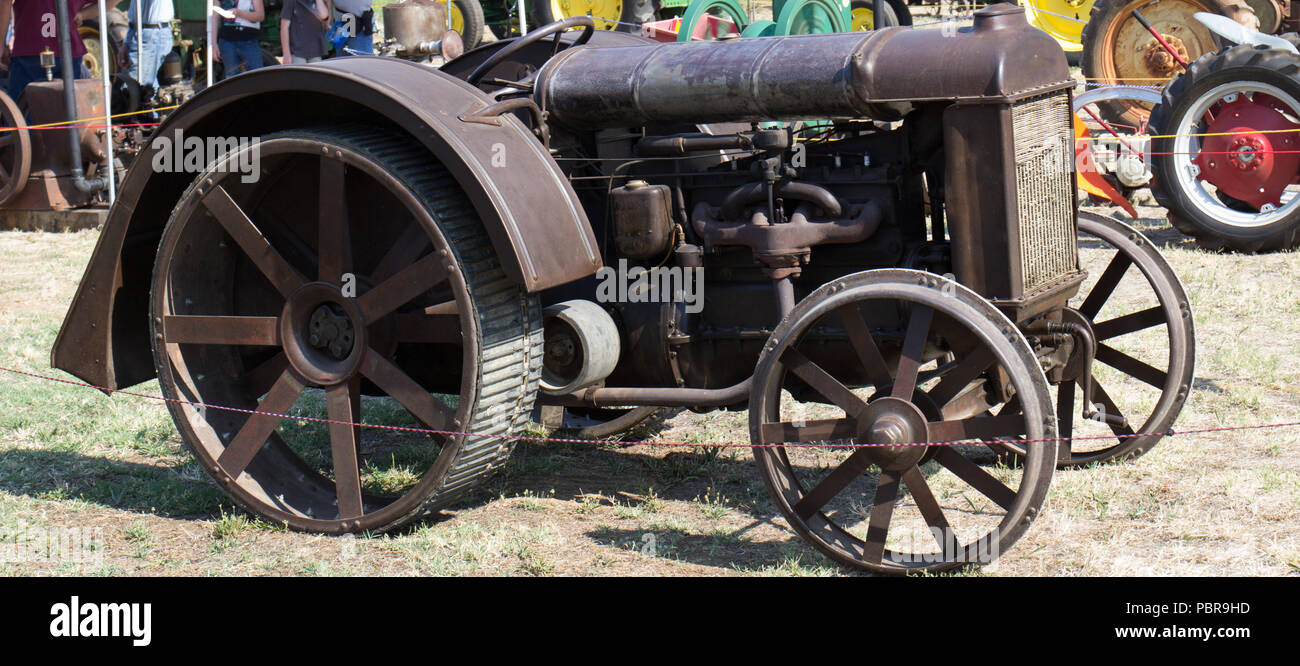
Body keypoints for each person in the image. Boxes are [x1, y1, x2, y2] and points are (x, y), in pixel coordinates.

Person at [0, 0, 96, 101]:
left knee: (24, 107)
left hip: (29, 50)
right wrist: (82, 15)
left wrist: (1, 45)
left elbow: (4, 3)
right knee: (70, 105)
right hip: (69, 53)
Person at [117, 0, 174, 91]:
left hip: (152, 32)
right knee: (147, 87)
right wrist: (126, 42)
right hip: (139, 30)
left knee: (132, 91)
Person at [212, 0, 265, 79]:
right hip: (227, 41)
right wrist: (213, 44)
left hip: (249, 40)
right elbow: (214, 17)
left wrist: (239, 13)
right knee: (231, 79)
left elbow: (260, 16)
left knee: (257, 77)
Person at [281, 0, 329, 64]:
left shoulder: (318, 2)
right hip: (297, 51)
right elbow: (284, 27)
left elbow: (324, 15)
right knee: (301, 73)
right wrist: (286, 54)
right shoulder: (291, 1)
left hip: (315, 50)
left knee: (315, 73)